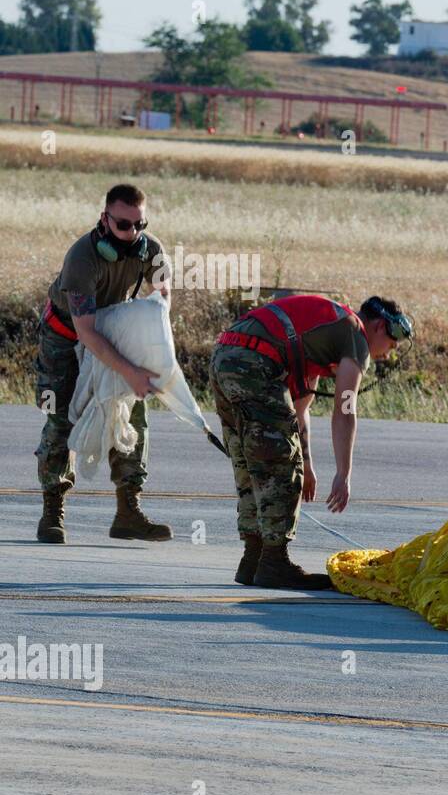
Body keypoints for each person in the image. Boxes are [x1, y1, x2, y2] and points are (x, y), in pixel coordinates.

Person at [209, 294, 411, 589]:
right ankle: (274, 562)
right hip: (255, 363)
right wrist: (343, 475)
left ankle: (253, 559)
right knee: (280, 469)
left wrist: (307, 462)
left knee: (253, 464)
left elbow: (299, 412)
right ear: (379, 326)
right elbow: (345, 410)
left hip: (225, 357)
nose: (388, 354)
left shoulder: (320, 337)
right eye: (392, 345)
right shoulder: (356, 335)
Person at [36, 183, 173, 544]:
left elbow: (161, 310)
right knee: (60, 416)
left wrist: (148, 362)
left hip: (114, 330)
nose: (133, 234)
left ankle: (128, 511)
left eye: (140, 225)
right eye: (124, 225)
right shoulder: (82, 258)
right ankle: (52, 511)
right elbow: (86, 332)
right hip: (66, 335)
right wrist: (129, 369)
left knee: (133, 416)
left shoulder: (152, 252)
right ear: (104, 219)